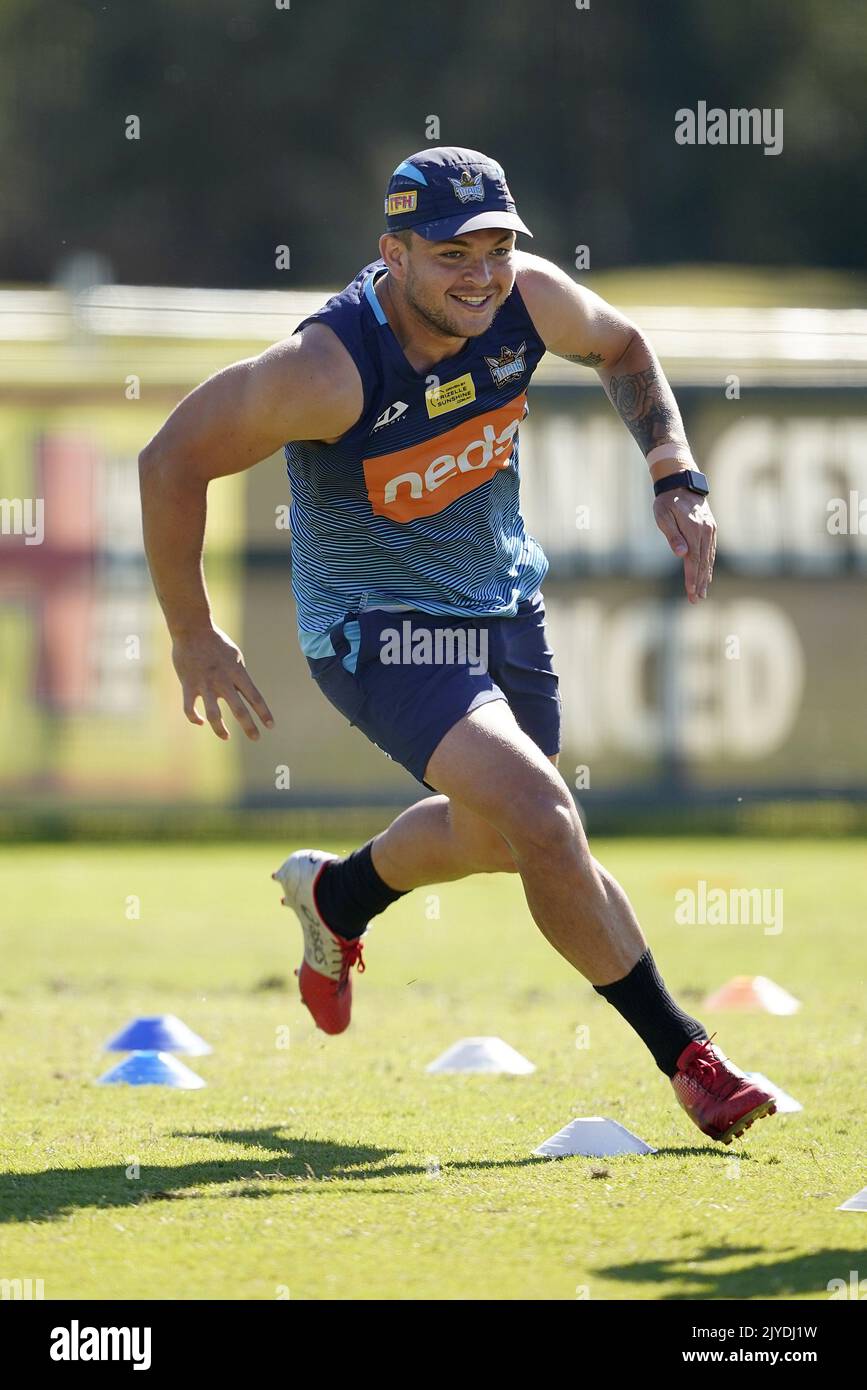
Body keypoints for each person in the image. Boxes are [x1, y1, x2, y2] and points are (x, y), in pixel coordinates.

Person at [139, 146, 775, 1145]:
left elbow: (623, 345)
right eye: (451, 255)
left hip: (500, 602)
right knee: (541, 813)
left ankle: (335, 895)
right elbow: (170, 457)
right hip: (375, 627)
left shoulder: (528, 299)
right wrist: (190, 630)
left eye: (497, 247)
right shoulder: (327, 368)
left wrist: (674, 471)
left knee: (499, 836)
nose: (482, 275)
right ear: (391, 255)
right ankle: (689, 1057)